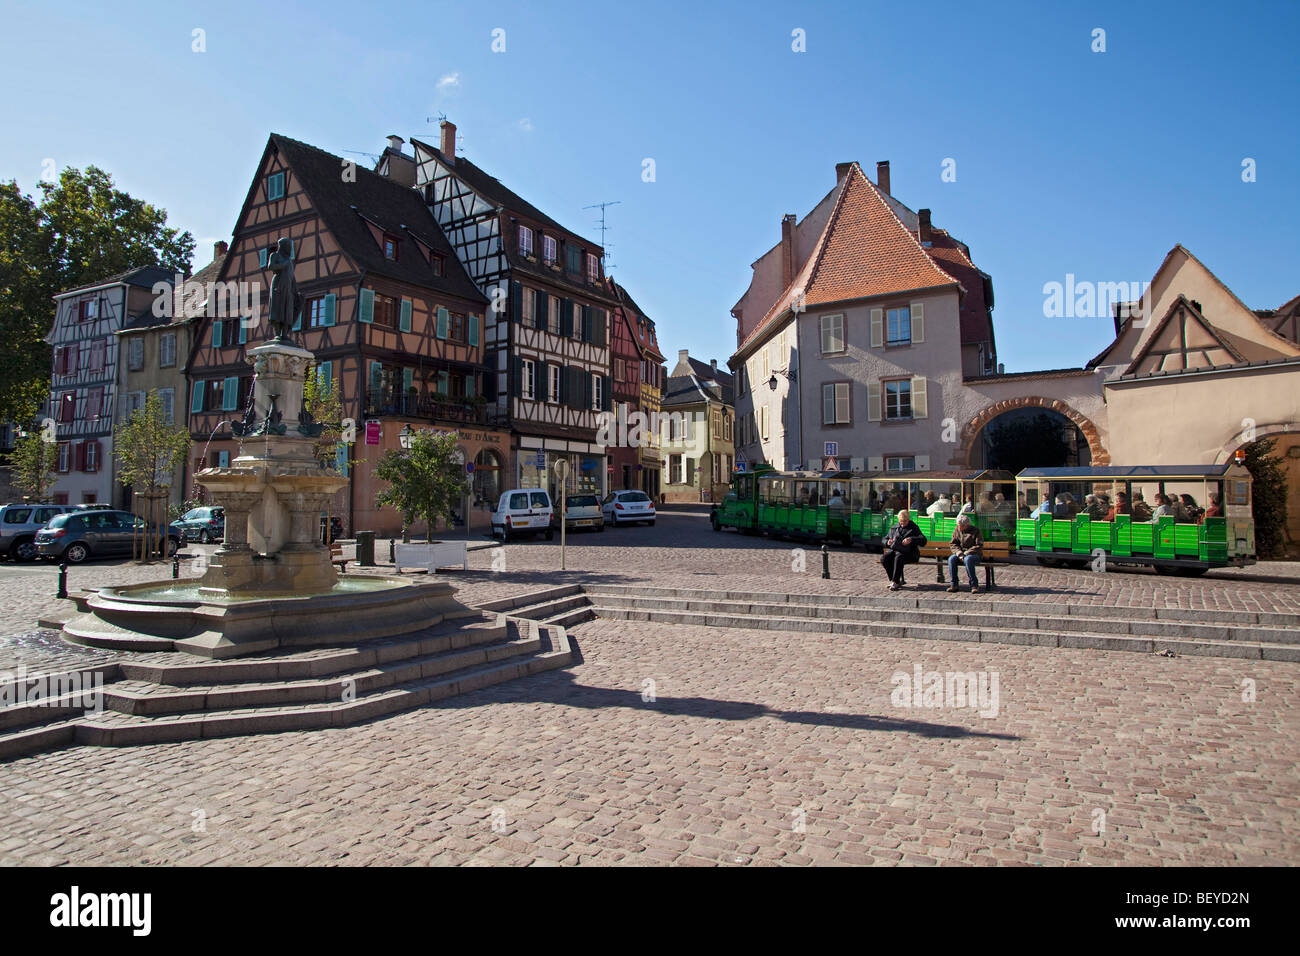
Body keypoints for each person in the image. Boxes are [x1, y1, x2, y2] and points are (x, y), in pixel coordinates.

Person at [881, 509, 926, 591]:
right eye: (901, 521)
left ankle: (895, 581)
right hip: (895, 551)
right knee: (884, 558)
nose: (902, 523)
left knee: (899, 557)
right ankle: (893, 579)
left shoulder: (913, 528)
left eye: (904, 521)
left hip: (910, 553)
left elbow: (923, 540)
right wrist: (887, 542)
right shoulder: (895, 528)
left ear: (908, 519)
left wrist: (911, 539)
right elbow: (884, 539)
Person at [947, 513, 984, 594]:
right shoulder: (957, 530)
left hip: (974, 555)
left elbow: (979, 545)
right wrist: (959, 553)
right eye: (958, 525)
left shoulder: (975, 531)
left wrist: (967, 553)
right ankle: (954, 584)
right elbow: (953, 544)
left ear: (966, 525)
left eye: (961, 526)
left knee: (968, 559)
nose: (959, 527)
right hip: (960, 554)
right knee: (951, 559)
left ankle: (974, 585)